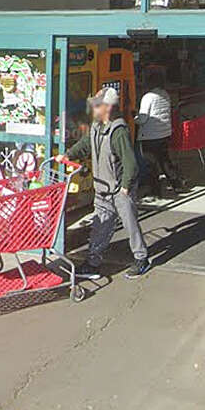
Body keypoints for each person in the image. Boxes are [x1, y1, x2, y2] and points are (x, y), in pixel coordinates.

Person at [64, 86, 151, 279]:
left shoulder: (118, 131)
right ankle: (93, 262)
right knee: (100, 227)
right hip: (102, 187)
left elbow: (130, 163)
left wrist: (126, 187)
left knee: (130, 225)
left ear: (108, 108)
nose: (93, 109)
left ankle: (142, 258)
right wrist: (69, 155)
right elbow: (86, 144)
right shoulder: (96, 126)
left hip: (119, 189)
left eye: (97, 105)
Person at [134, 66, 177, 194]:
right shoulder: (165, 94)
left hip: (150, 136)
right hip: (164, 133)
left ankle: (155, 189)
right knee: (164, 160)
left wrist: (133, 117)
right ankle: (176, 183)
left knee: (151, 164)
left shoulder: (148, 97)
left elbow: (142, 119)